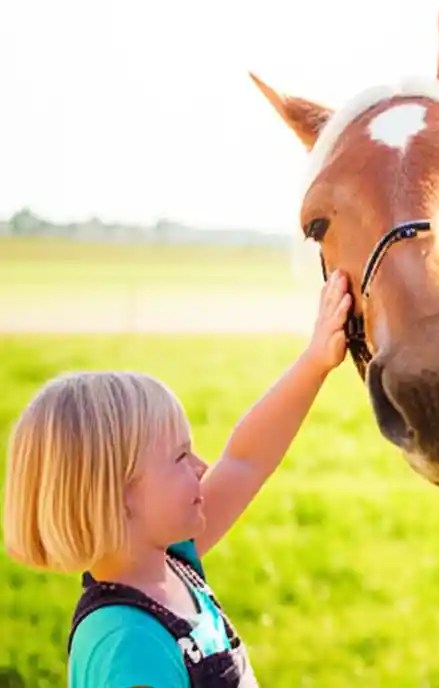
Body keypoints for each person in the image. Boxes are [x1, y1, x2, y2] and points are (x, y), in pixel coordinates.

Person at [3, 271, 353, 687]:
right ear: (118, 494)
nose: (202, 468)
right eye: (179, 457)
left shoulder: (168, 561)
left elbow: (246, 461)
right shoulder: (127, 646)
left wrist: (316, 361)